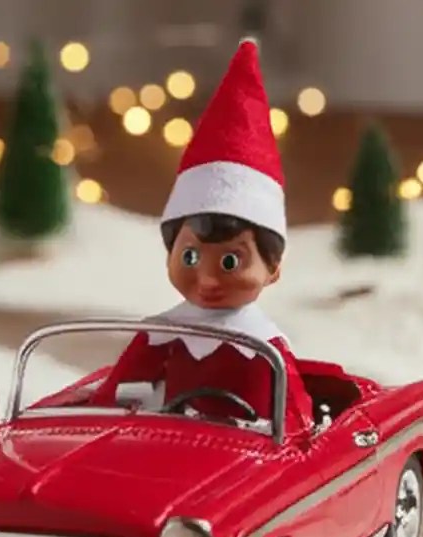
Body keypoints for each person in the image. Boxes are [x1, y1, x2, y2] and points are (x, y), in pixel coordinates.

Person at [90, 39, 315, 436]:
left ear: (273, 269)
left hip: (242, 455)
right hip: (168, 448)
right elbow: (111, 399)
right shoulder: (162, 335)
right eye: (191, 257)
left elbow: (297, 424)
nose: (208, 280)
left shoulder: (264, 348)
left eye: (231, 261)